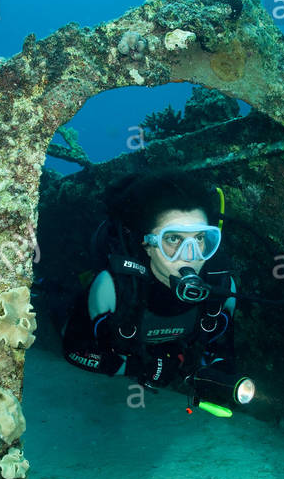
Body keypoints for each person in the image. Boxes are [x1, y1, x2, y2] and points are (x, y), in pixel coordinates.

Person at [61, 172, 246, 403]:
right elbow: (74, 350)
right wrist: (138, 367)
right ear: (147, 245)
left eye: (199, 238)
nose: (190, 256)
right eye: (173, 239)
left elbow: (221, 347)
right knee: (59, 297)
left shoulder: (222, 289)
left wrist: (214, 373)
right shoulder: (112, 289)